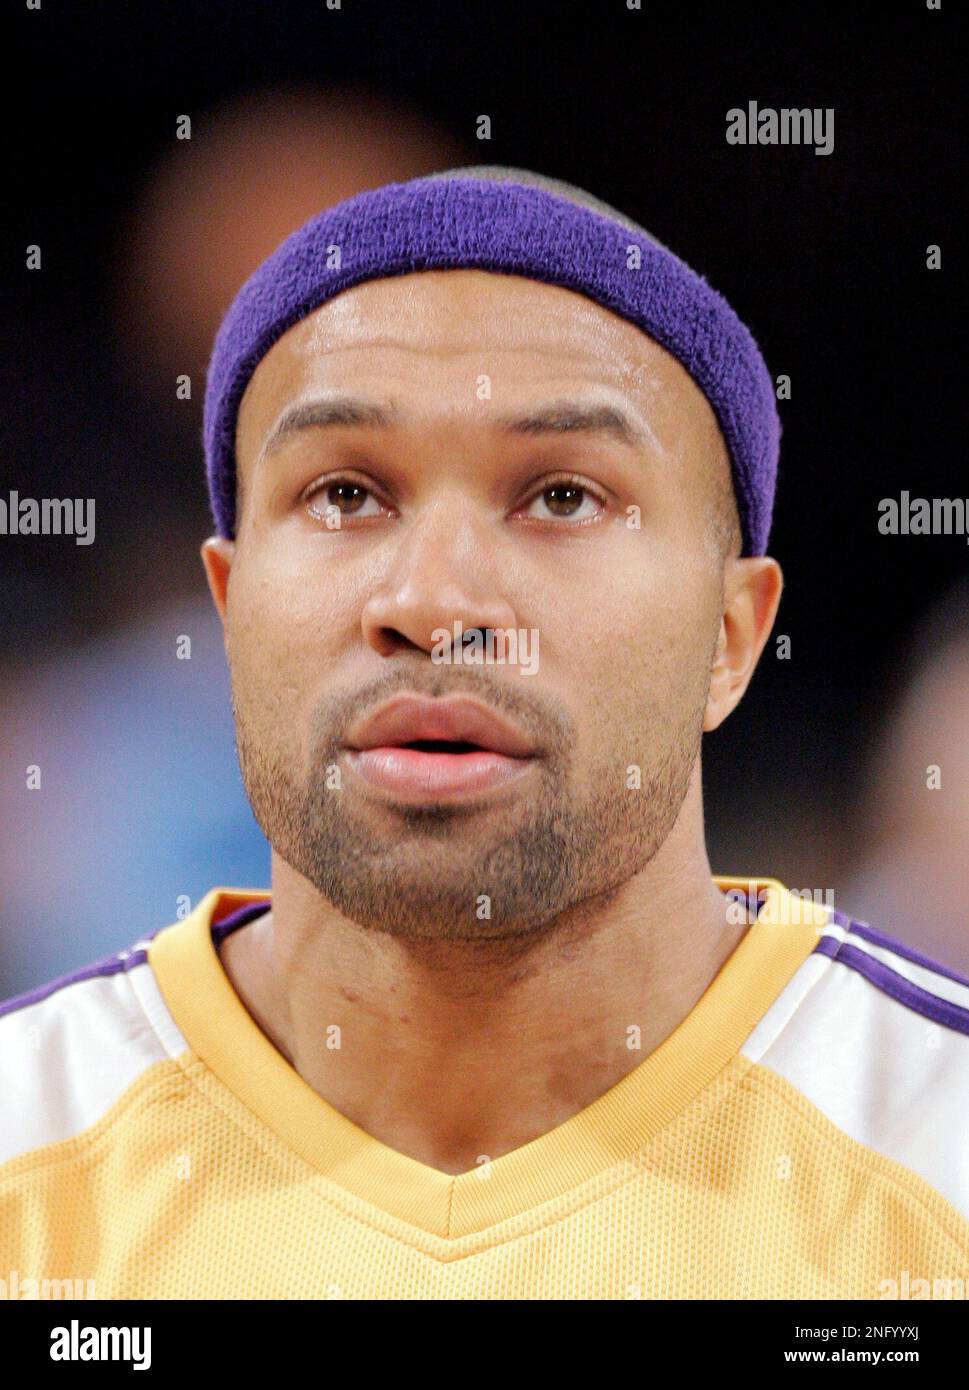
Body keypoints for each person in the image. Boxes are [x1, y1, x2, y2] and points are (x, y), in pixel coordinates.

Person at [2, 167, 966, 1300]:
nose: (435, 603)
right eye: (344, 494)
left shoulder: (935, 1146)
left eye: (562, 496)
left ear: (730, 636)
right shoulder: (29, 1147)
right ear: (229, 604)